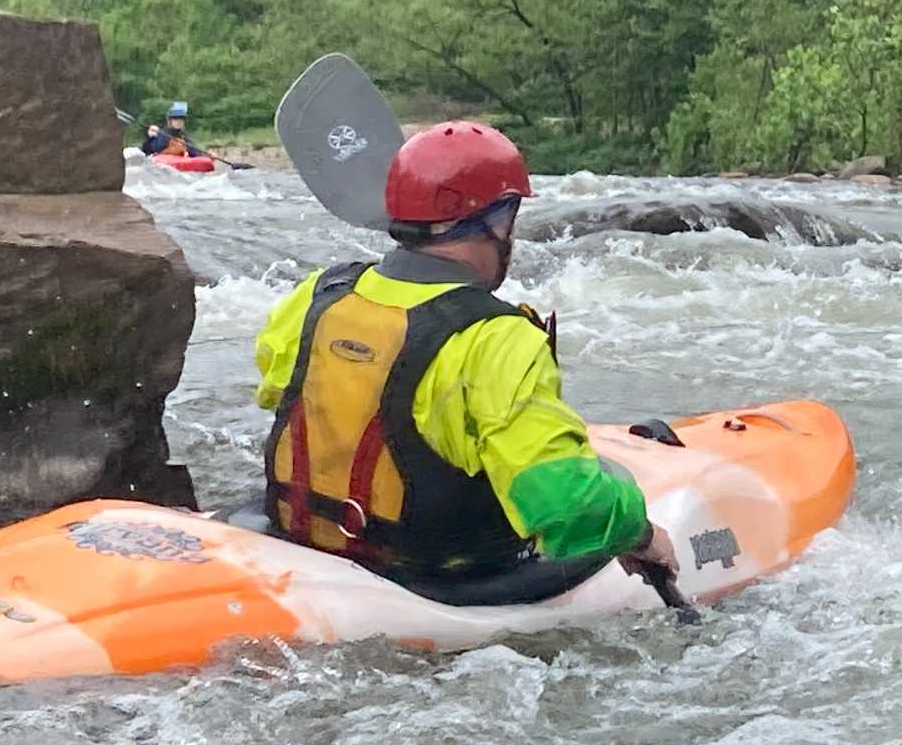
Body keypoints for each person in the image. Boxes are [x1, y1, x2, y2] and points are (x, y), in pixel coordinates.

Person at [253, 120, 677, 586]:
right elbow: (566, 505)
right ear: (498, 221)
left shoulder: (320, 293)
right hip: (433, 576)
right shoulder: (497, 337)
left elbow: (277, 387)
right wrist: (640, 535)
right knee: (607, 480)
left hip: (304, 544)